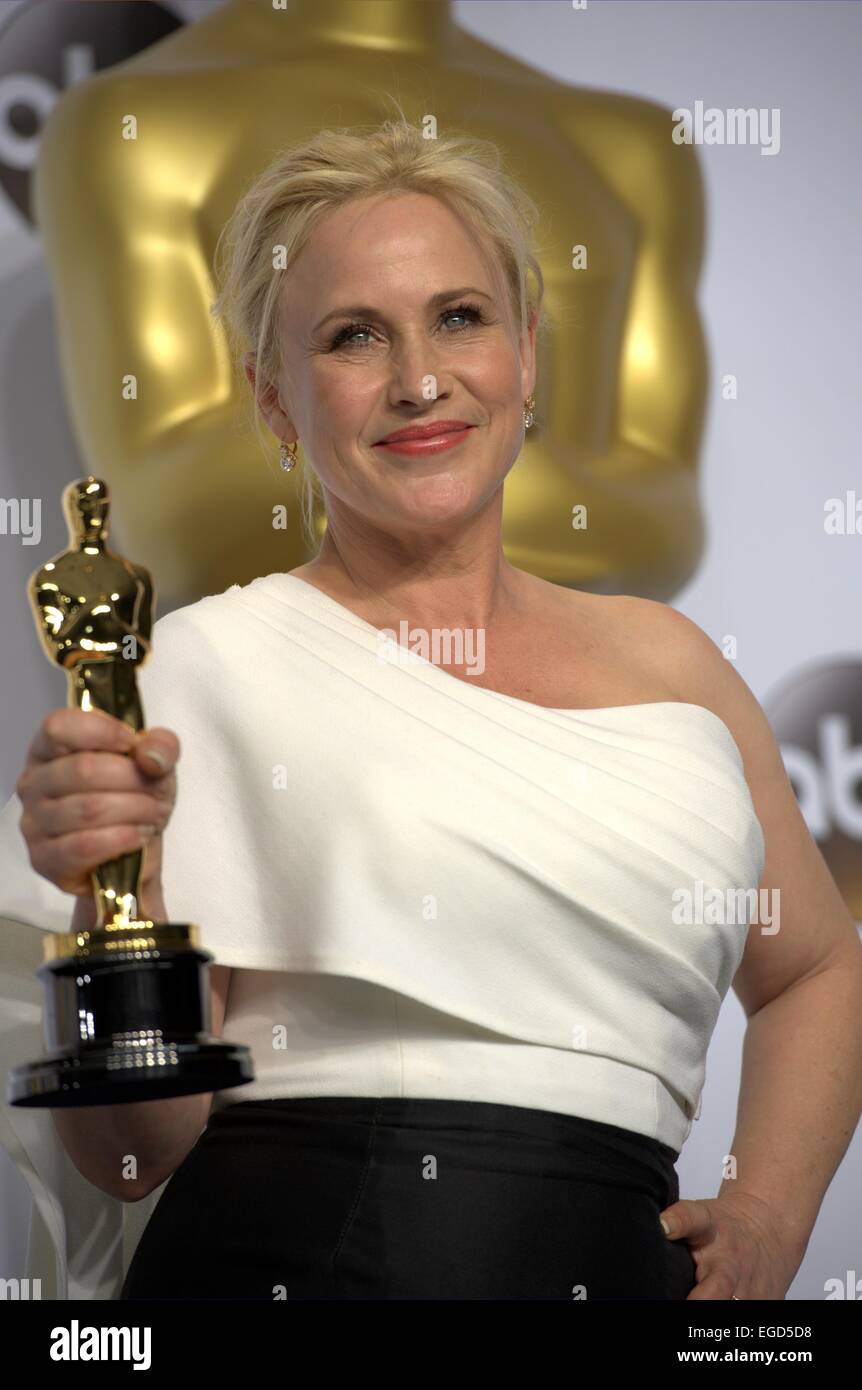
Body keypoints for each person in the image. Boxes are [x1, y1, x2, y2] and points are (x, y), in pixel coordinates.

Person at [9, 118, 862, 1302]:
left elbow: (817, 965)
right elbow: (126, 1155)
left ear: (528, 352)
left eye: (459, 316)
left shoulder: (676, 665)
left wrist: (771, 1213)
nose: (419, 378)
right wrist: (119, 901)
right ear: (272, 401)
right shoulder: (196, 672)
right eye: (354, 336)